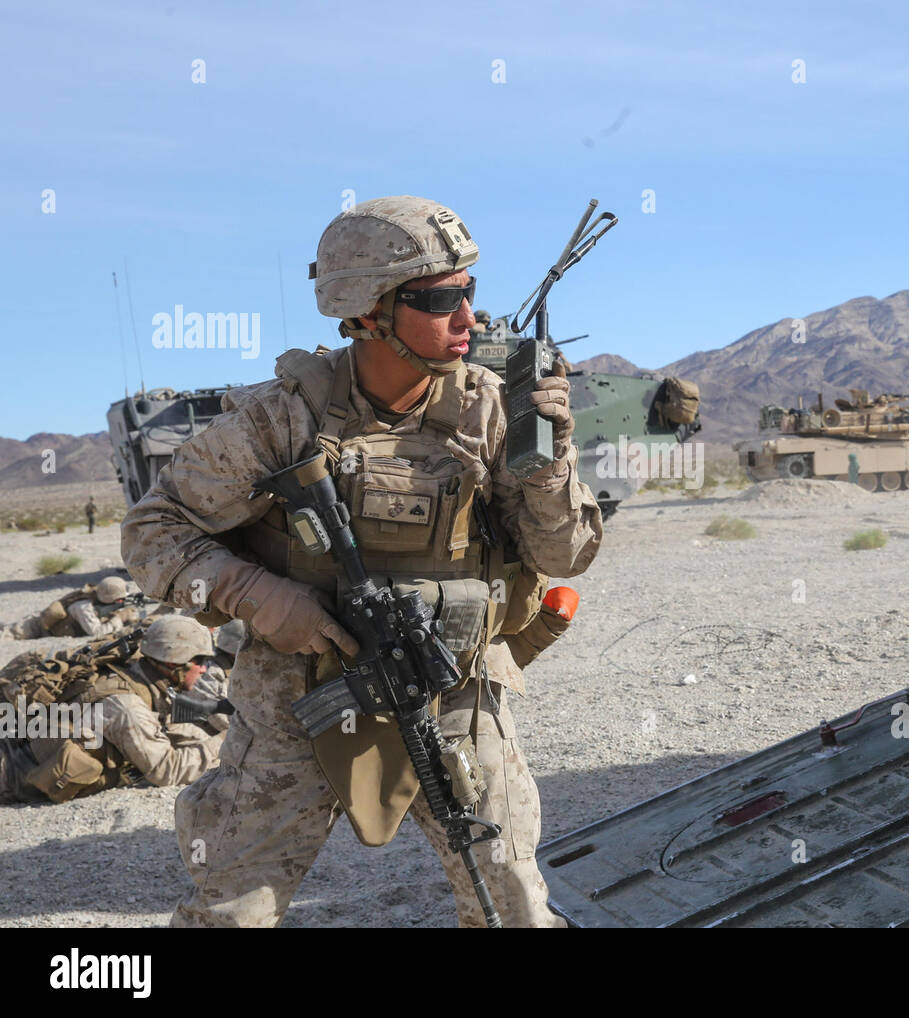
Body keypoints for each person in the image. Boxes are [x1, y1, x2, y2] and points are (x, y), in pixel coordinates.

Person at [120, 195, 602, 928]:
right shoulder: (280, 418)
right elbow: (153, 533)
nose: (467, 316)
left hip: (453, 681)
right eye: (440, 298)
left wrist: (549, 461)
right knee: (233, 907)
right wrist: (261, 597)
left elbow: (564, 554)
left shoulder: (494, 410)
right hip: (300, 688)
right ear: (367, 309)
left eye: (468, 291)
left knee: (510, 897)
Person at [0, 615, 226, 803]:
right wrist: (228, 740)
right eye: (201, 661)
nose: (204, 670)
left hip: (21, 741)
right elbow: (167, 770)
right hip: (13, 774)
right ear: (173, 663)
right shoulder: (127, 707)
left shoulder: (135, 671)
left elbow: (166, 725)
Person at [0, 575, 147, 641]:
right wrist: (119, 618)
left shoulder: (103, 600)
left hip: (50, 628)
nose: (122, 601)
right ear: (111, 599)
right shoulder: (83, 607)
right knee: (6, 634)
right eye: (120, 599)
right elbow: (96, 632)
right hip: (37, 626)